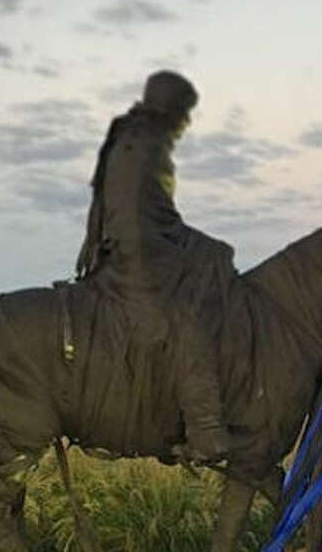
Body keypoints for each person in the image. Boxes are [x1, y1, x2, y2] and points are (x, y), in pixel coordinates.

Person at [76, 70, 232, 463]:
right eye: (185, 111)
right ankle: (205, 429)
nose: (187, 121)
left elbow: (139, 209)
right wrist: (207, 248)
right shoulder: (149, 147)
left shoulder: (126, 137)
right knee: (188, 321)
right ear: (171, 108)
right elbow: (151, 217)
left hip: (121, 250)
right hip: (140, 259)